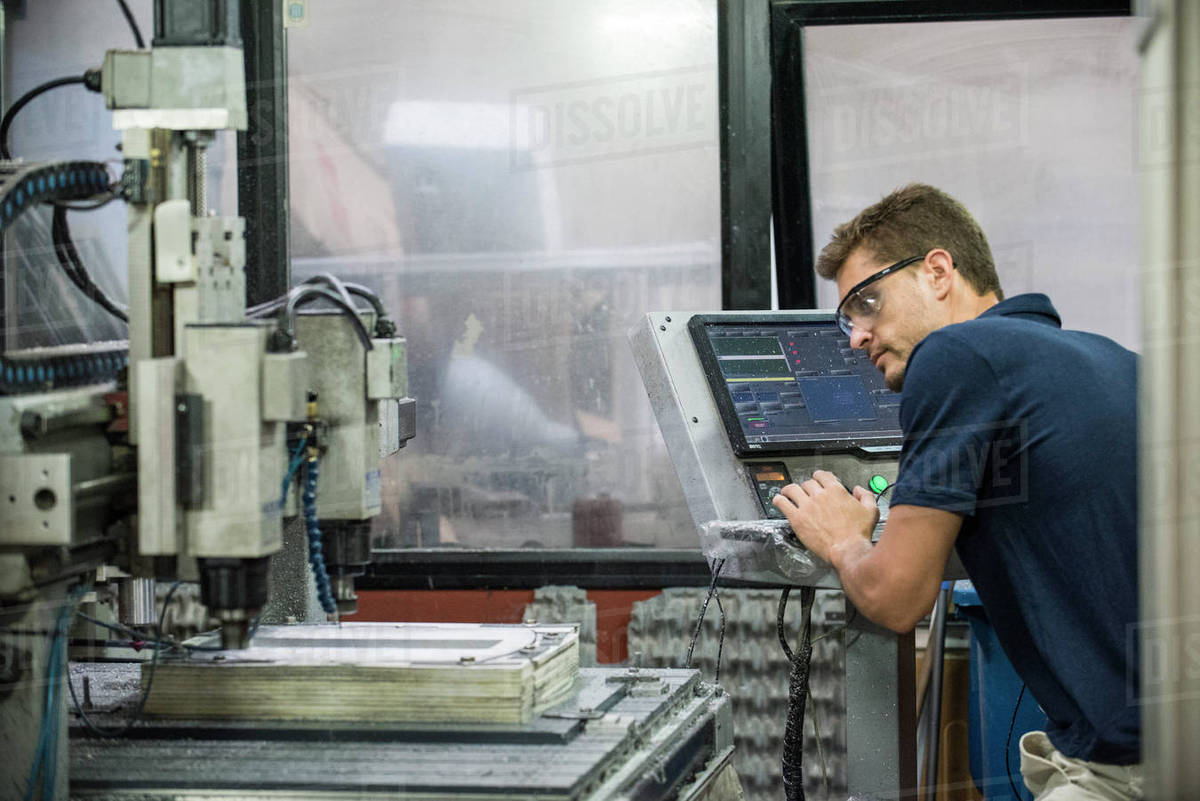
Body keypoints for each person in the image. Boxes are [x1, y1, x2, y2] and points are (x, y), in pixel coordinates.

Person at [771, 184, 1141, 801]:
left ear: (938, 271)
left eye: (868, 302)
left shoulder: (956, 354)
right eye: (847, 318)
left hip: (1132, 766)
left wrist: (843, 540)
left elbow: (894, 599)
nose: (857, 337)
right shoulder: (1110, 357)